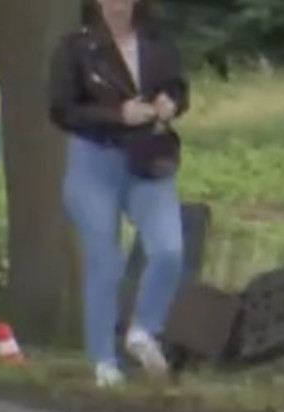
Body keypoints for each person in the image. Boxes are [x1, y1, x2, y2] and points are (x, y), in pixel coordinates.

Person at [50, 0, 187, 388]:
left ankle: (144, 328)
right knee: (105, 259)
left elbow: (179, 87)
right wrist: (117, 115)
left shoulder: (158, 40)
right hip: (95, 160)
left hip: (148, 157)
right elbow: (61, 108)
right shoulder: (76, 47)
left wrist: (170, 104)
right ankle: (103, 361)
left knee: (169, 249)